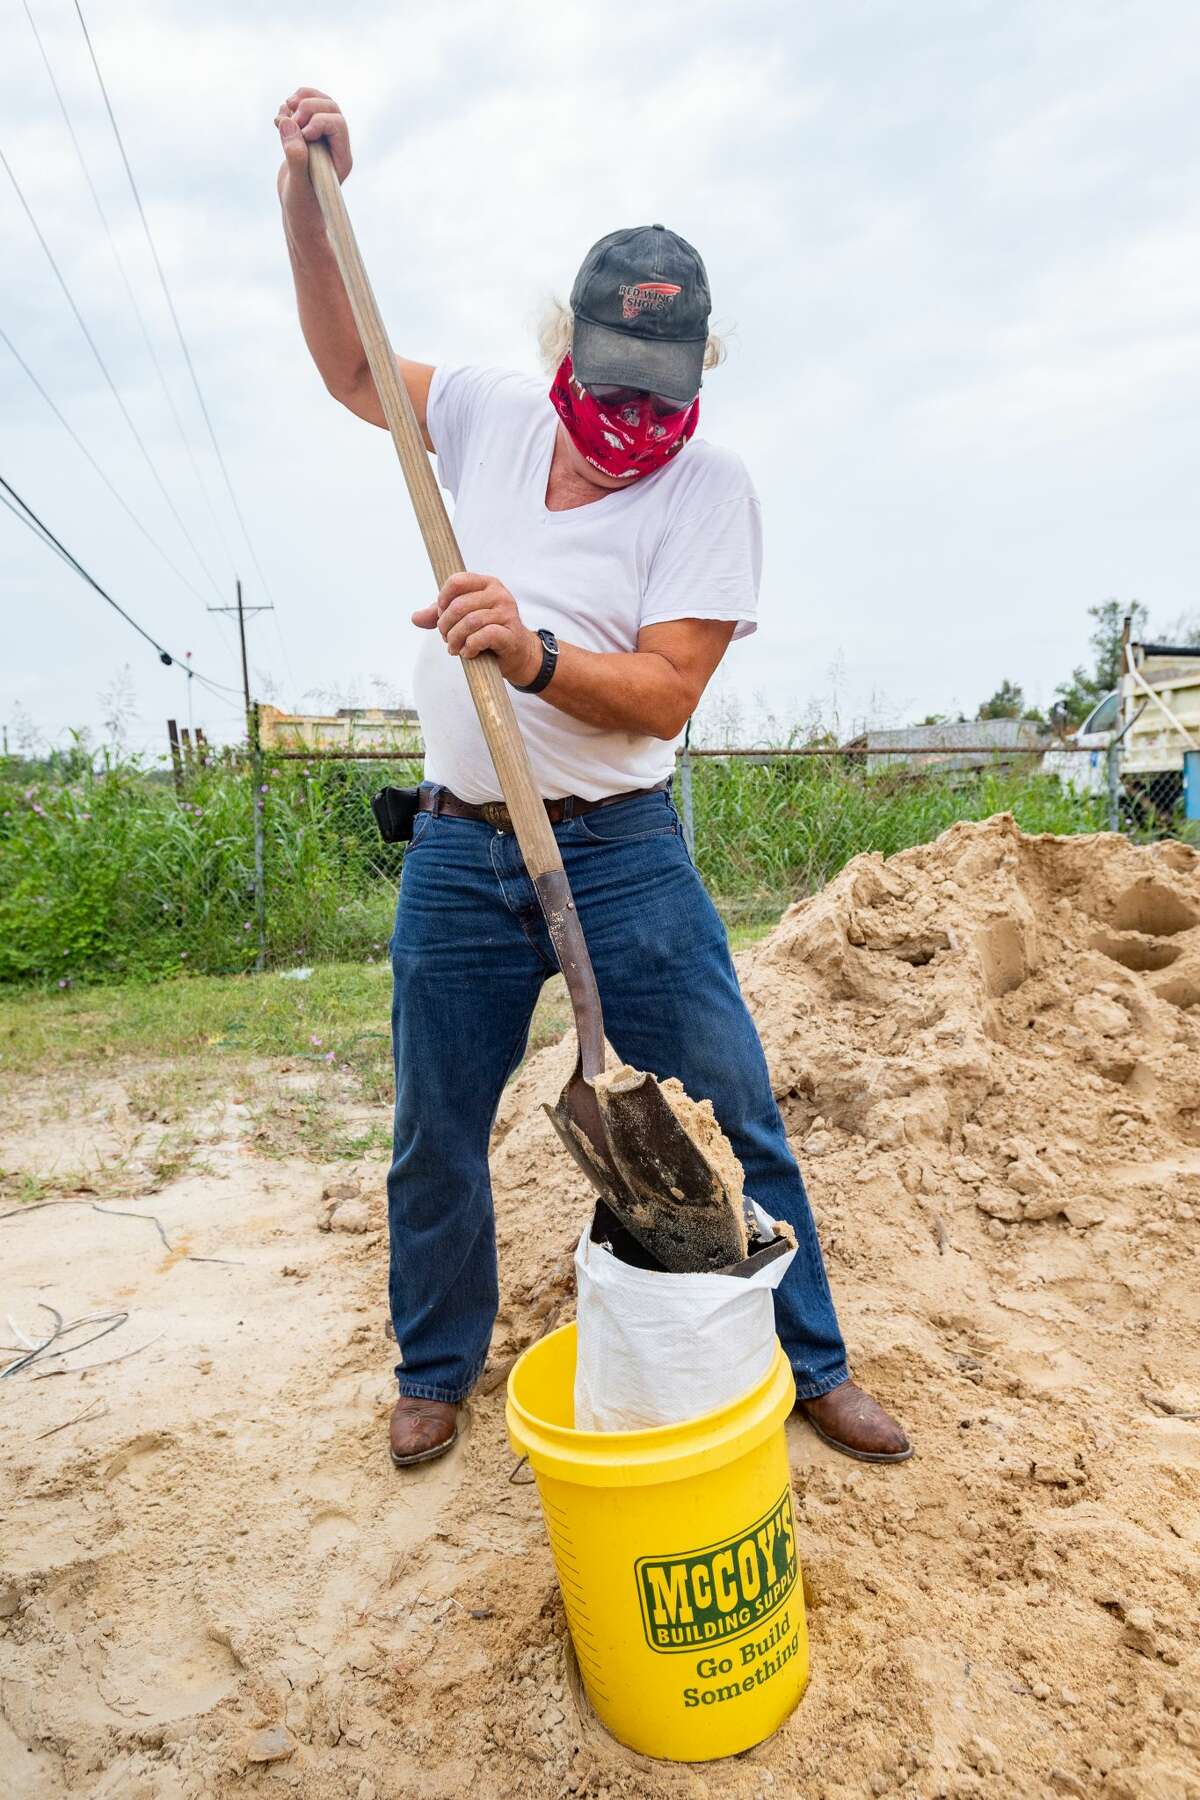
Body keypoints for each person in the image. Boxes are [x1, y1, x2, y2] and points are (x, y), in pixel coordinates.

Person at [274, 87, 911, 1470]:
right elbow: (349, 370)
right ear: (565, 345)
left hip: (622, 850)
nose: (629, 415)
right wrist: (303, 201)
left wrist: (535, 649)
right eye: (608, 380)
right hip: (457, 849)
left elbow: (666, 693)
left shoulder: (708, 493)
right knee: (434, 1130)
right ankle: (436, 1367)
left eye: (659, 393)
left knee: (730, 1110)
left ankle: (811, 1361)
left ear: (697, 375)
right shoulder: (495, 413)